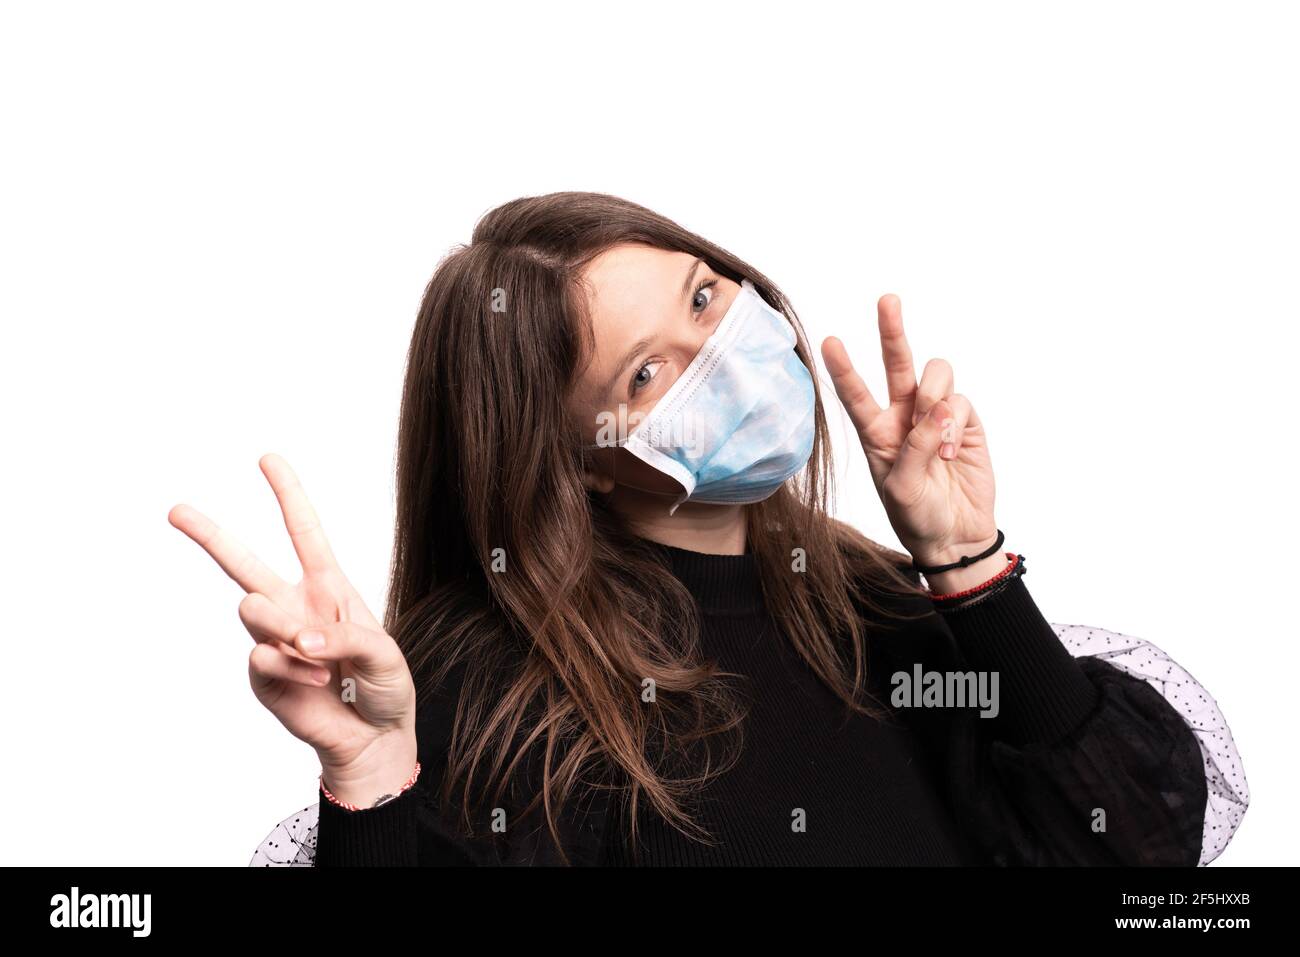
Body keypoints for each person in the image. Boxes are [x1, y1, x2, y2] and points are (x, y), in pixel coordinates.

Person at [173, 191, 1247, 866]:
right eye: (645, 373)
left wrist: (966, 566)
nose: (720, 350)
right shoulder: (503, 706)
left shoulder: (881, 609)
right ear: (576, 466)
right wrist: (370, 780)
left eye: (701, 298)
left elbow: (1130, 845)